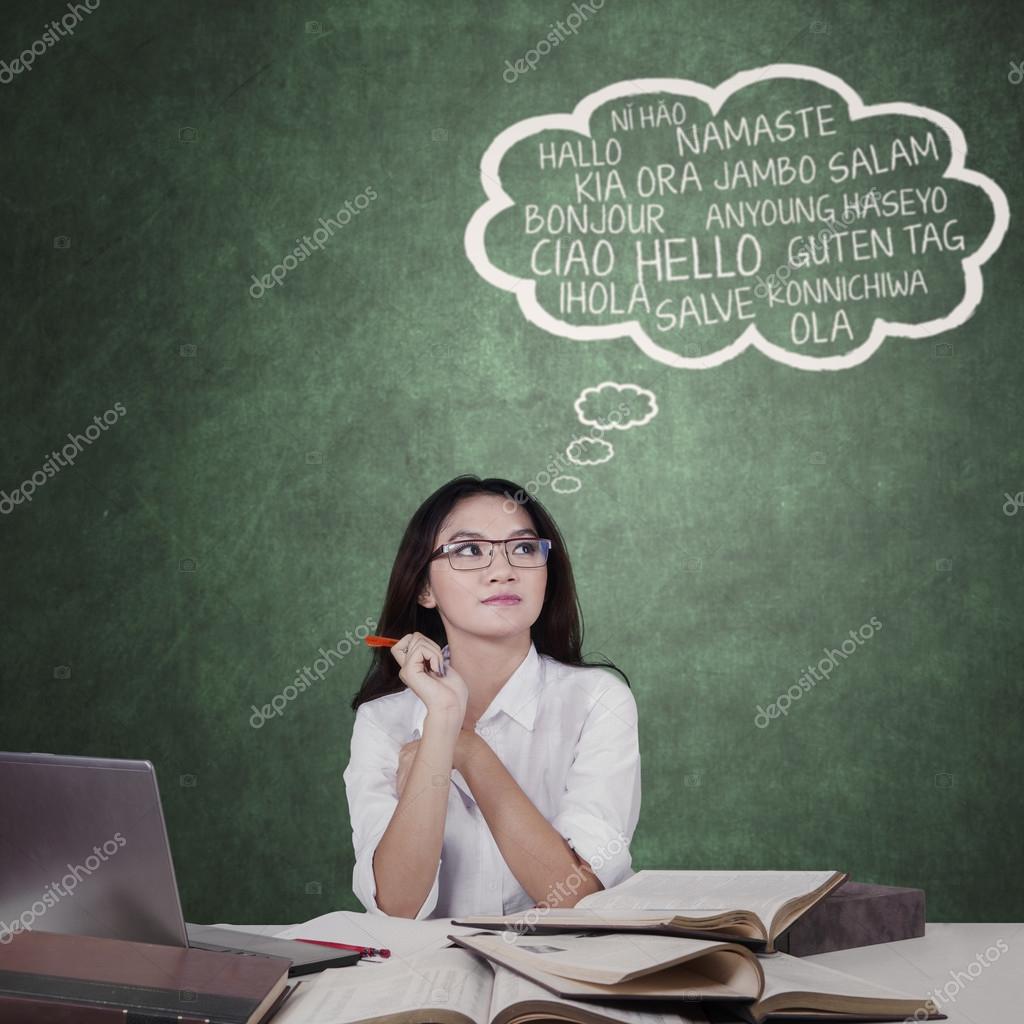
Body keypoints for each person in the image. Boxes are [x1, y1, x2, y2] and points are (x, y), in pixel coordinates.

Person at [343, 474, 641, 919]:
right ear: (424, 588)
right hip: (425, 974)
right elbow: (397, 908)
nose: (503, 570)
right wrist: (443, 720)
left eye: (523, 548)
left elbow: (576, 899)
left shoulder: (598, 700)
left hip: (561, 975)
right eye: (469, 550)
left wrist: (467, 750)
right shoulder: (381, 720)